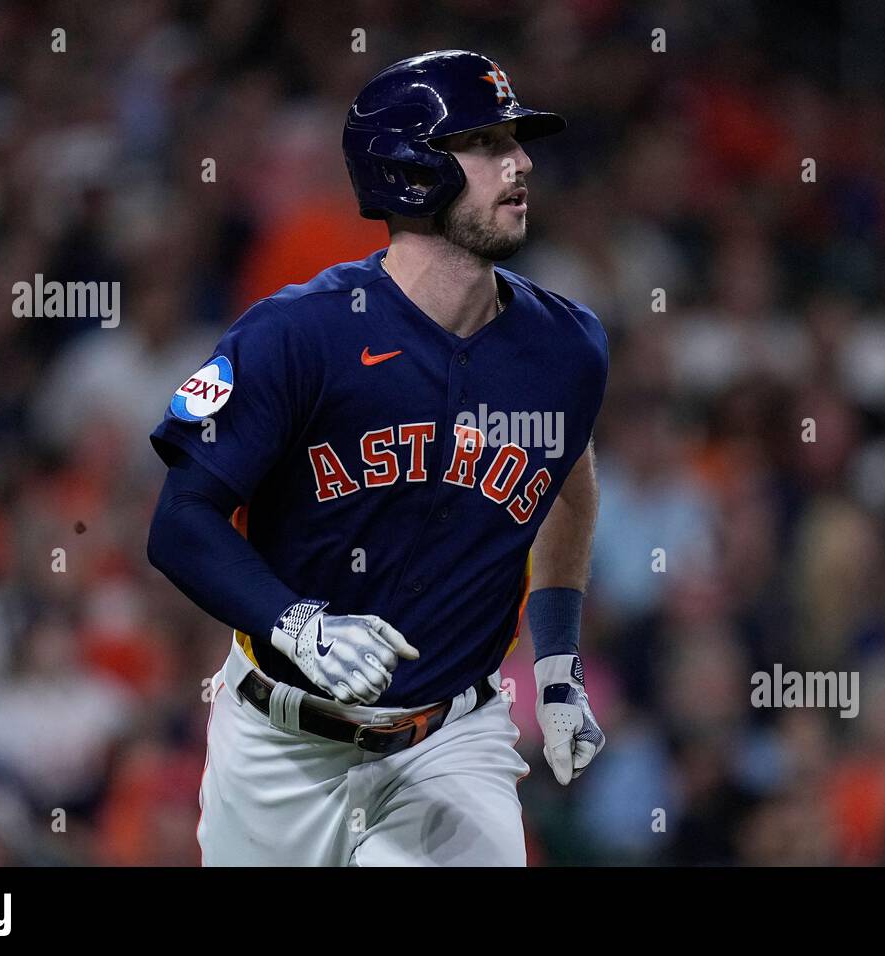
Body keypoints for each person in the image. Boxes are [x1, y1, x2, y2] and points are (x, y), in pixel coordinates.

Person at [147, 50, 608, 866]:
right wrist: (297, 624)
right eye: (486, 143)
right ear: (410, 170)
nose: (522, 162)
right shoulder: (298, 335)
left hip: (452, 740)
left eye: (517, 141)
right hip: (279, 745)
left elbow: (567, 487)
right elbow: (182, 520)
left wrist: (559, 660)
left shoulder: (565, 346)